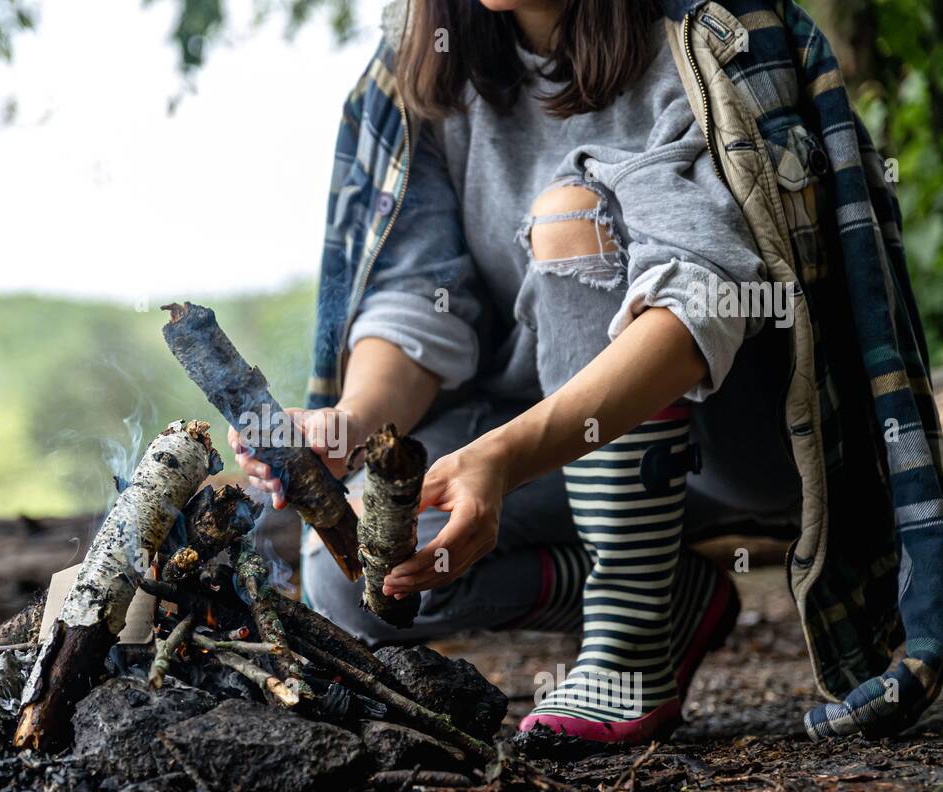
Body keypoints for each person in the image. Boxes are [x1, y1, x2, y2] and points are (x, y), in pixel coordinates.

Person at [231, 0, 940, 745]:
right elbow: (418, 305)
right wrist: (353, 421)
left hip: (741, 434)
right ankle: (672, 601)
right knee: (352, 575)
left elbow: (700, 298)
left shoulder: (698, 31)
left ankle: (628, 647)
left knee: (572, 218)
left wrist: (503, 457)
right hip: (566, 452)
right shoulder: (428, 66)